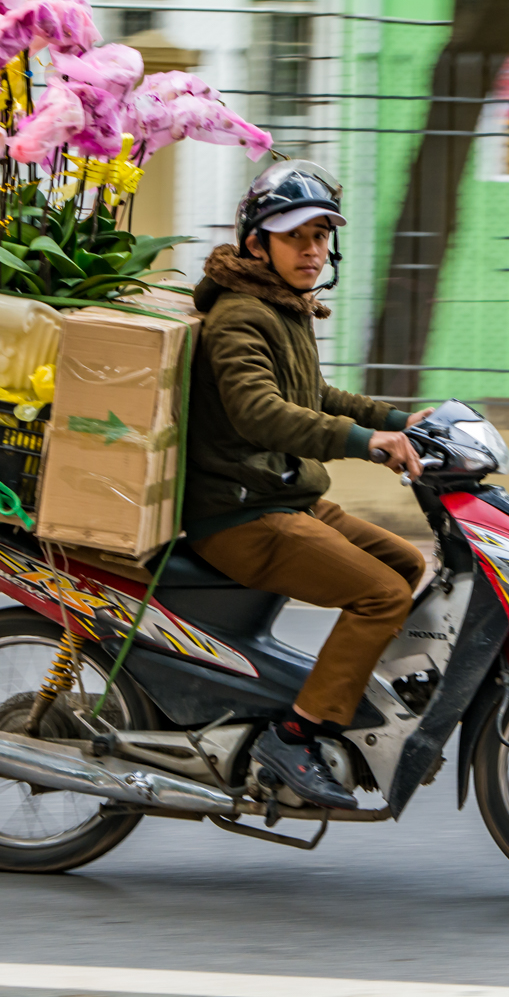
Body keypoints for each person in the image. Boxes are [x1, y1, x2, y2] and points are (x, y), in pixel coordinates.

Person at [183, 161, 429, 810]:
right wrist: (364, 443)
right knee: (381, 594)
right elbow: (259, 411)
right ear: (257, 242)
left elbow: (315, 395)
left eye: (322, 235)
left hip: (283, 496)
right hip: (240, 515)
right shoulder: (239, 316)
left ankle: (375, 701)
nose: (313, 250)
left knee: (409, 563)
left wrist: (403, 423)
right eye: (298, 236)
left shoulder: (282, 308)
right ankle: (294, 738)